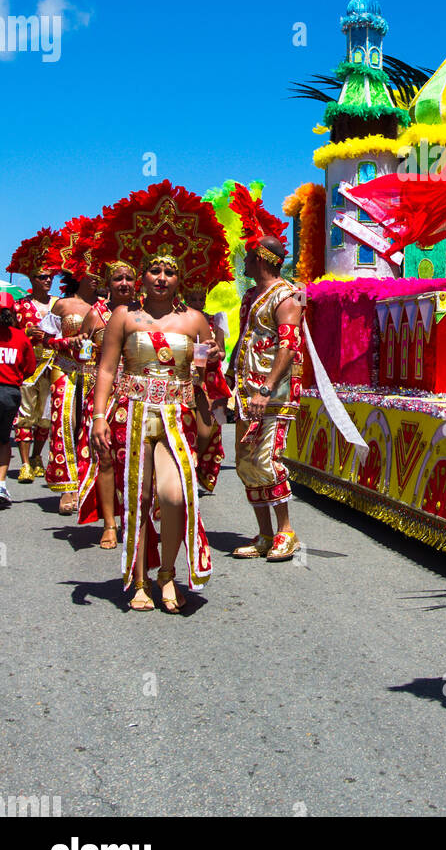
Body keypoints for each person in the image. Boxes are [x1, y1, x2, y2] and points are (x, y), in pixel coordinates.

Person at [89, 180, 232, 610]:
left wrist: (214, 412)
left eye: (169, 272)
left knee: (173, 495)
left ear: (180, 277)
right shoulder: (122, 317)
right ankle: (139, 581)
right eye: (154, 270)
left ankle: (168, 573)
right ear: (143, 274)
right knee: (139, 495)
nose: (161, 278)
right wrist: (97, 417)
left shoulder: (196, 322)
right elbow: (107, 369)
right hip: (131, 412)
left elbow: (208, 375)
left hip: (177, 415)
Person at [226, 184, 303, 562]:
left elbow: (289, 346)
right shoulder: (249, 296)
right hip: (246, 393)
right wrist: (229, 369)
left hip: (273, 395)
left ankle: (287, 532)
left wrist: (267, 387)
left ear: (262, 258)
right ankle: (263, 534)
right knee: (244, 461)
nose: (243, 263)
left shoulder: (286, 297)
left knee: (266, 460)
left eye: (248, 256)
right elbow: (243, 338)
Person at [42, 218, 102, 516]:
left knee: (91, 428)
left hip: (95, 373)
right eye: (92, 273)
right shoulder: (62, 305)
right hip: (64, 369)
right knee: (65, 423)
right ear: (79, 274)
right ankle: (66, 487)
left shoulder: (107, 307)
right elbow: (43, 339)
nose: (97, 278)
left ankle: (87, 483)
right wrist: (68, 343)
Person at [77, 259, 138, 547]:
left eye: (128, 278)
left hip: (137, 393)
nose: (123, 283)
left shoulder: (144, 313)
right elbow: (85, 356)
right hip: (104, 396)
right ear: (108, 283)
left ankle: (135, 519)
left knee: (138, 459)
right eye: (117, 279)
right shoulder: (95, 314)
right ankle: (110, 524)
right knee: (105, 457)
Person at [6, 227, 57, 483]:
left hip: (53, 364)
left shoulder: (59, 304)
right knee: (26, 413)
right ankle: (25, 463)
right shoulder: (20, 305)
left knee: (46, 416)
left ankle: (38, 456)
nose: (47, 281)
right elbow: (12, 334)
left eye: (50, 277)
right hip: (28, 366)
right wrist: (27, 330)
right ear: (32, 279)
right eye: (42, 277)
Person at [183, 286, 229, 493]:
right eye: (192, 297)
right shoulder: (176, 321)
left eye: (200, 297)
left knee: (207, 431)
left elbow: (222, 352)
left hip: (208, 382)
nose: (197, 301)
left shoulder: (216, 320)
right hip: (181, 378)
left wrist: (214, 353)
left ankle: (195, 471)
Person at [0, 292, 37, 509]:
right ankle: (1, 484)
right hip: (10, 393)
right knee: (3, 439)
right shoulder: (20, 336)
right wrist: (15, 378)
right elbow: (30, 367)